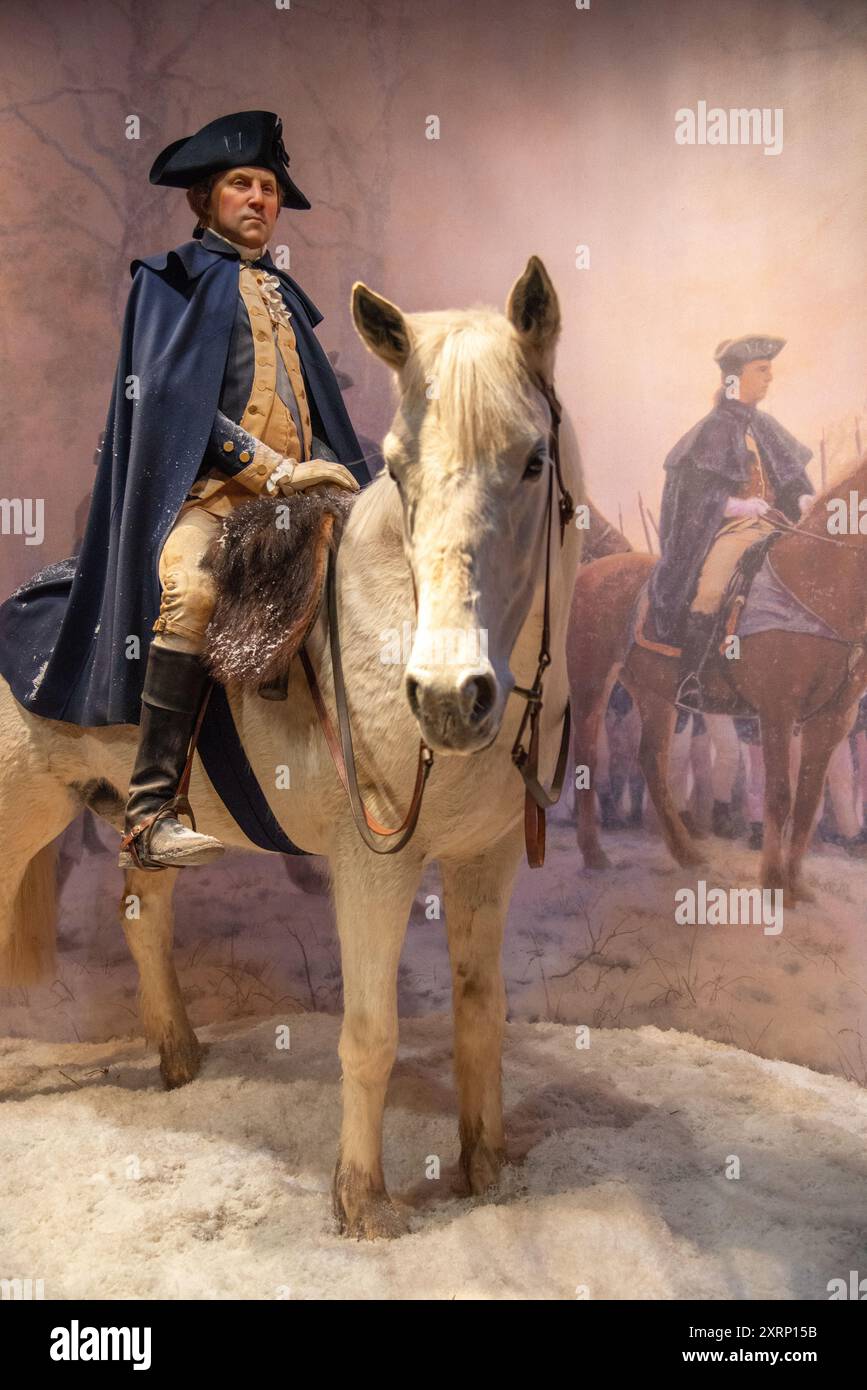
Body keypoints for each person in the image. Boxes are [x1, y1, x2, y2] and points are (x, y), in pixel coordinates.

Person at [0, 111, 368, 870]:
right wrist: (275, 472)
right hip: (211, 503)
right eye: (243, 184)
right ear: (206, 197)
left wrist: (342, 475)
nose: (259, 200)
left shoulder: (285, 296)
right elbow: (174, 406)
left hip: (304, 507)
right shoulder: (170, 284)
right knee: (194, 595)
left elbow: (312, 410)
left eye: (268, 188)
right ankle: (153, 808)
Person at [647, 336, 815, 711]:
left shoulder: (765, 426)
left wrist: (805, 499)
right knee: (710, 591)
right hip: (732, 532)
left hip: (777, 526)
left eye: (770, 371)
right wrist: (740, 507)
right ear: (735, 379)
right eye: (762, 370)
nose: (770, 378)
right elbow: (694, 502)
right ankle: (690, 679)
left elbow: (790, 480)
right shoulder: (711, 431)